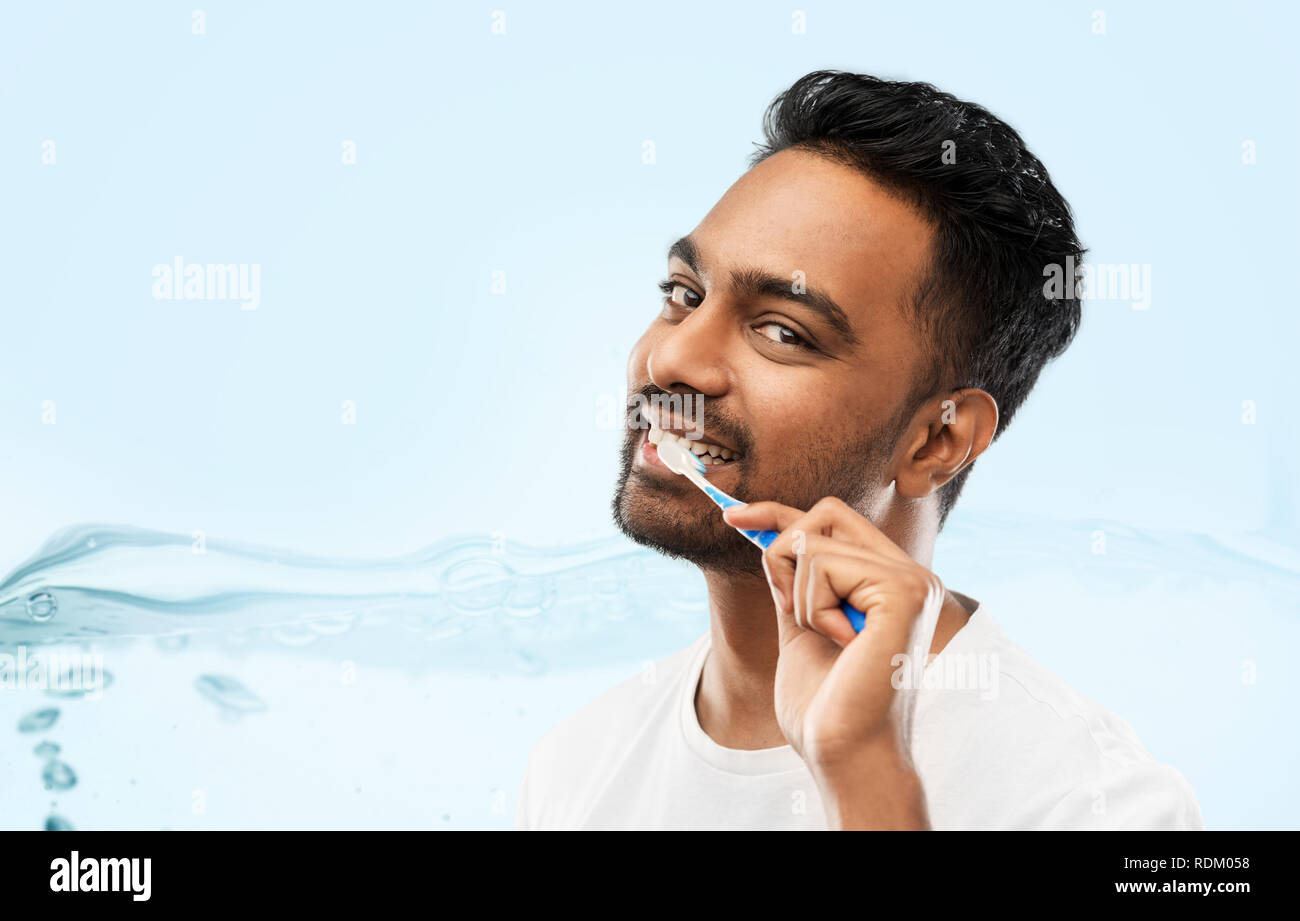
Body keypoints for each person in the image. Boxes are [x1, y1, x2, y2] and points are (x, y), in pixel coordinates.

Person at [515, 70, 1203, 830]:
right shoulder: (574, 769)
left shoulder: (1095, 805)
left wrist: (866, 776)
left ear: (938, 438)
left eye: (782, 330)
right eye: (685, 293)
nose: (671, 361)